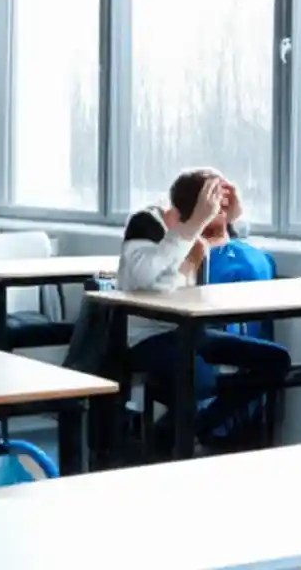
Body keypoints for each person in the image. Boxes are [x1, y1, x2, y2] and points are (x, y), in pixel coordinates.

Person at [119, 167, 291, 450]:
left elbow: (220, 255)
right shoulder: (147, 223)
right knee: (200, 379)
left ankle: (180, 431)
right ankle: (176, 436)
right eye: (214, 207)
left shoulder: (199, 239)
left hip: (192, 330)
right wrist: (191, 229)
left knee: (276, 361)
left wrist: (229, 220)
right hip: (148, 335)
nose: (219, 214)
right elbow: (143, 279)